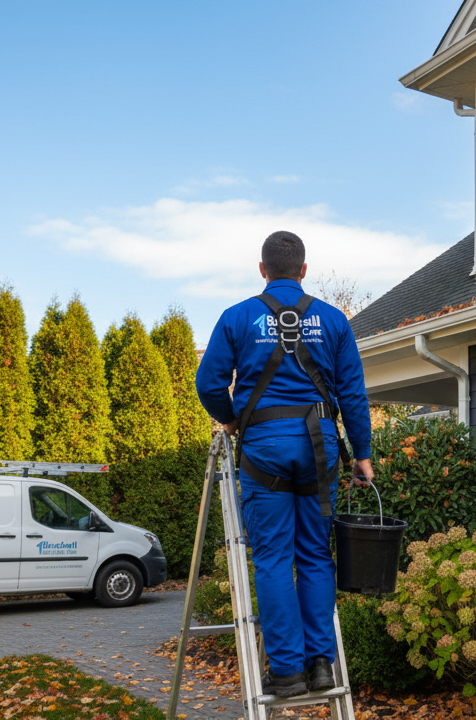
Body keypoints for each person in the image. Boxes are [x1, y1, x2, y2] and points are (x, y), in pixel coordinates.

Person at [195, 230, 373, 699]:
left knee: (273, 557)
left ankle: (288, 671)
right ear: (304, 270)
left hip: (265, 449)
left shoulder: (238, 317)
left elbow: (208, 382)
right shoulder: (334, 320)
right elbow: (352, 393)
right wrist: (364, 455)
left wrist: (232, 420)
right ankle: (321, 667)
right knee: (315, 554)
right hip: (319, 448)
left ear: (262, 270)